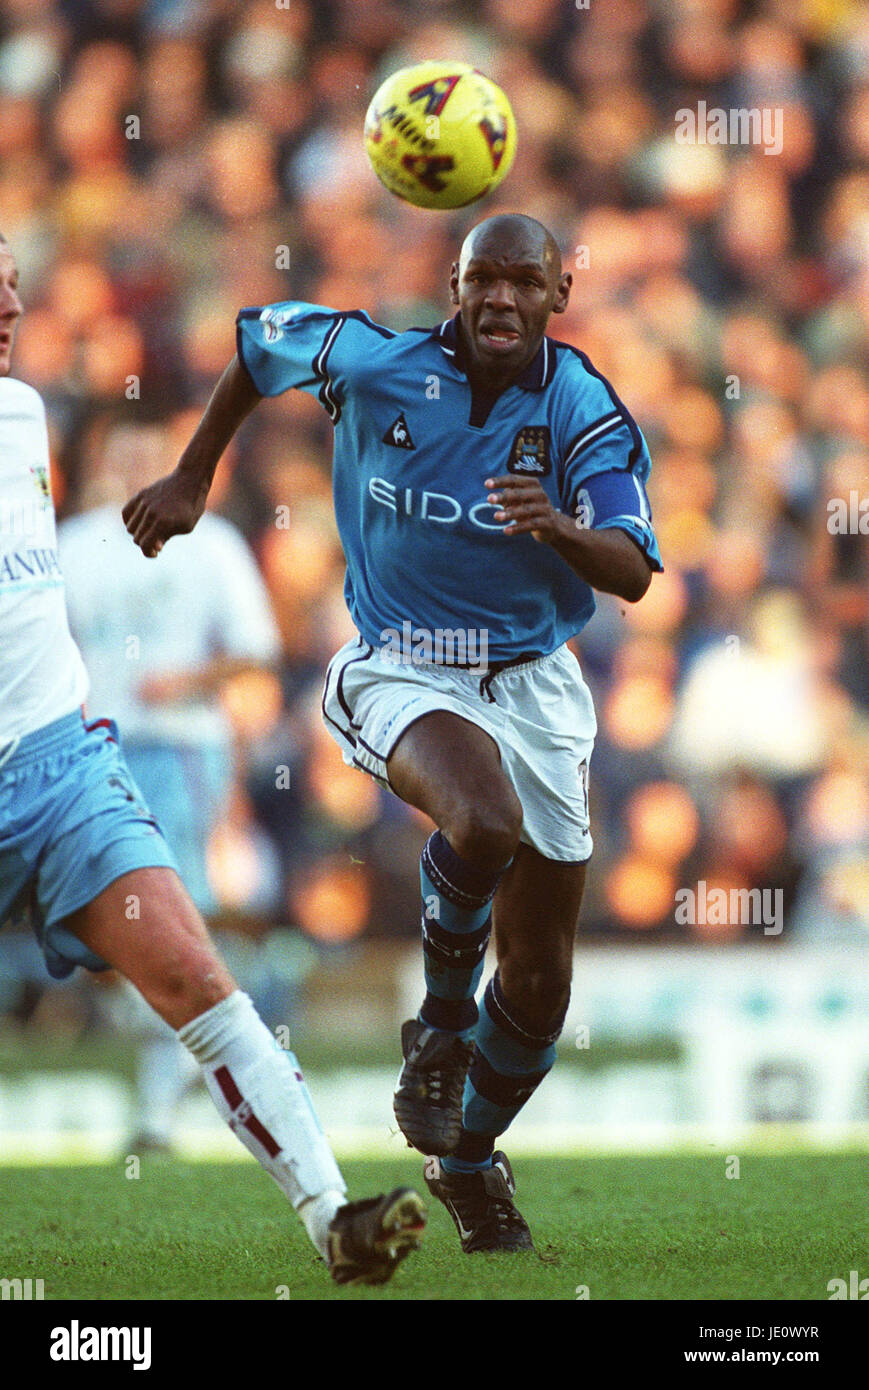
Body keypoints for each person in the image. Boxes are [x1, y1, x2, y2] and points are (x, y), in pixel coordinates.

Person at [124, 213, 663, 1255]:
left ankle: (466, 1160)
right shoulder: (374, 361)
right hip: (400, 662)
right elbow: (256, 346)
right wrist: (194, 477)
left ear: (558, 296)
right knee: (483, 820)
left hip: (533, 681)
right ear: (454, 287)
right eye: (481, 278)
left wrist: (555, 525)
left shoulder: (581, 407)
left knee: (541, 985)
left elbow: (633, 568)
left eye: (523, 282)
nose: (499, 298)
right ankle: (441, 1031)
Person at [0, 231, 425, 1287]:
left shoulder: (22, 417)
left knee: (192, 970)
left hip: (66, 765)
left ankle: (334, 1219)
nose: (11, 306)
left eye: (12, 283)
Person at [59, 421, 281, 1152]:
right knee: (89, 919)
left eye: (149, 455)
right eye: (123, 454)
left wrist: (186, 680)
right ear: (103, 461)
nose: (135, 467)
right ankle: (182, 1057)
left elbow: (256, 649)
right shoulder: (74, 545)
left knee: (174, 913)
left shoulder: (211, 544)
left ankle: (158, 1107)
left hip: (182, 746)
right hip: (92, 749)